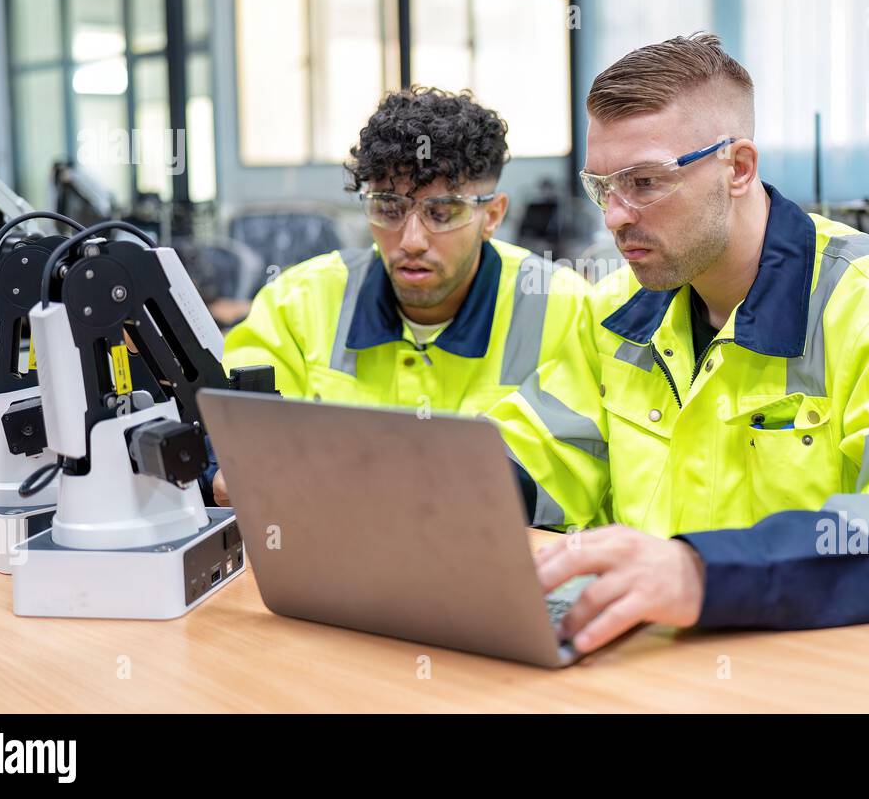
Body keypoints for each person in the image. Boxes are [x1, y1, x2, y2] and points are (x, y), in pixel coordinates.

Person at [488, 33, 869, 655]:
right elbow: (544, 455)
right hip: (656, 658)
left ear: (737, 168)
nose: (616, 216)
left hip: (819, 662)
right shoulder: (612, 312)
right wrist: (441, 502)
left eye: (646, 182)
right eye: (603, 185)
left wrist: (702, 573)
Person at [211, 87, 589, 508]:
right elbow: (229, 434)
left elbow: (570, 478)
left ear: (493, 216)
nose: (411, 241)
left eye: (442, 213)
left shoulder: (563, 307)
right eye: (389, 209)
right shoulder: (296, 302)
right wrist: (226, 471)